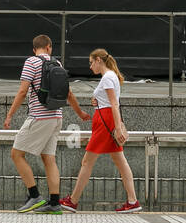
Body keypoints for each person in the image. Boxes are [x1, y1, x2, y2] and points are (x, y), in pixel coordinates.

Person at [5, 34, 89, 214]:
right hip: (57, 117)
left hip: (39, 117)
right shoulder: (57, 64)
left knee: (16, 154)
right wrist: (80, 113)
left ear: (34, 49)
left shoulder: (31, 62)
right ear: (49, 47)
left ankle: (34, 195)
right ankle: (54, 202)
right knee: (49, 158)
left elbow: (22, 92)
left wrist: (10, 115)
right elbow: (69, 94)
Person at [60, 49, 141, 213]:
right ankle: (132, 200)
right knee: (120, 161)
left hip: (105, 123)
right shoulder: (110, 77)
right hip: (106, 120)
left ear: (98, 60)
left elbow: (114, 104)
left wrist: (118, 128)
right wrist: (97, 101)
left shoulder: (108, 78)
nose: (90, 67)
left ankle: (73, 201)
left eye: (91, 62)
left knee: (87, 161)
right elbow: (111, 102)